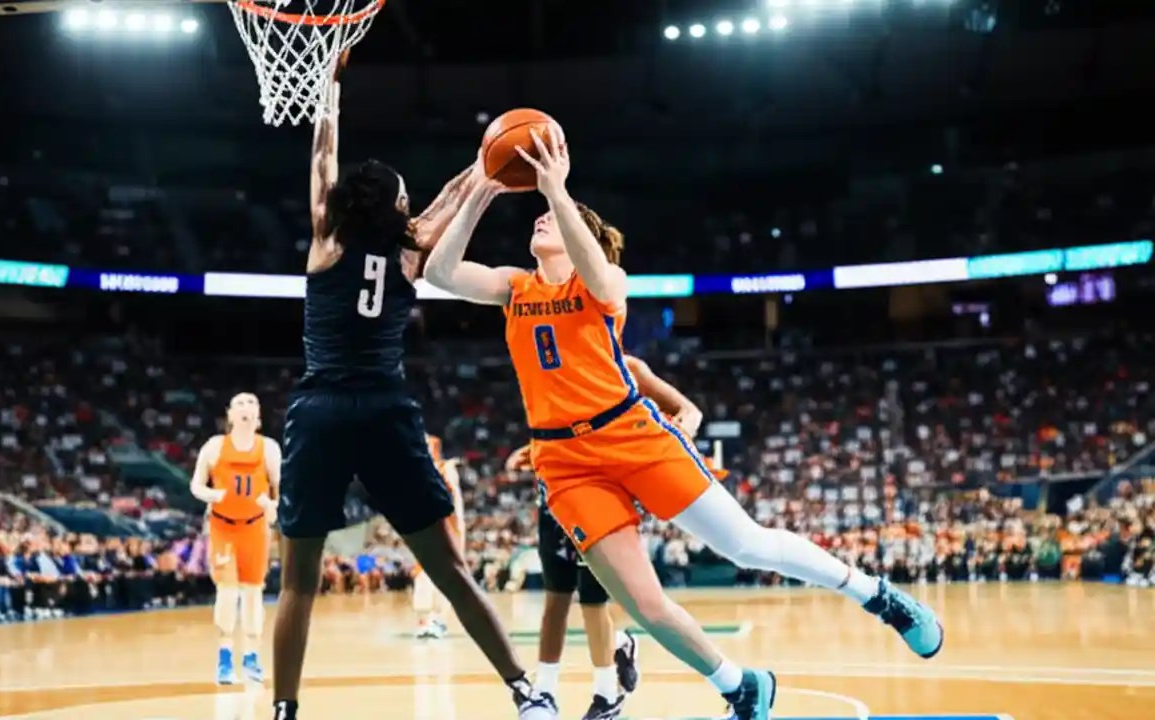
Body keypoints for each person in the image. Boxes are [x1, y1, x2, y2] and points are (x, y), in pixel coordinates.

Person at [423, 126, 944, 720]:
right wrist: (484, 190)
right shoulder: (512, 288)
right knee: (644, 604)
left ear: (582, 234)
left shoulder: (605, 284)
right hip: (564, 464)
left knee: (745, 544)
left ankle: (877, 596)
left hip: (631, 434)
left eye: (554, 219)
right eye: (539, 215)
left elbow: (597, 275)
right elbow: (439, 273)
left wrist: (558, 193)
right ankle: (740, 686)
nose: (540, 219)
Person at [271, 55, 555, 720]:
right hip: (384, 411)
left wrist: (330, 92)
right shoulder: (411, 249)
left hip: (318, 411)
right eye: (404, 197)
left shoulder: (327, 240)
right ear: (397, 206)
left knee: (298, 585)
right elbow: (451, 200)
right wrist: (488, 162)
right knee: (450, 569)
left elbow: (321, 158)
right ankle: (523, 691)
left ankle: (285, 709)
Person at [509, 353, 721, 720]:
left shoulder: (629, 368)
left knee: (593, 600)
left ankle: (607, 695)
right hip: (556, 495)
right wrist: (529, 452)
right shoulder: (546, 364)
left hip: (604, 497)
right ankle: (545, 691)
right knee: (556, 598)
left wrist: (668, 443)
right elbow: (562, 430)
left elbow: (690, 413)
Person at [189, 392, 279, 685]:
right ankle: (225, 656)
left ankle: (252, 656)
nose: (246, 407)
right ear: (230, 415)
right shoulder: (215, 447)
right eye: (239, 403)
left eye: (252, 403)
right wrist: (212, 495)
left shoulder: (269, 449)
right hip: (223, 527)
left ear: (258, 416)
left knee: (253, 592)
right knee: (227, 592)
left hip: (255, 527)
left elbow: (280, 491)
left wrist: (271, 507)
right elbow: (196, 485)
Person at [412, 434, 466, 639]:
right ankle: (424, 620)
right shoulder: (416, 470)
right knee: (422, 575)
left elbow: (450, 500)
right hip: (424, 528)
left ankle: (437, 620)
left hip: (447, 528)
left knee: (445, 576)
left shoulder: (445, 469)